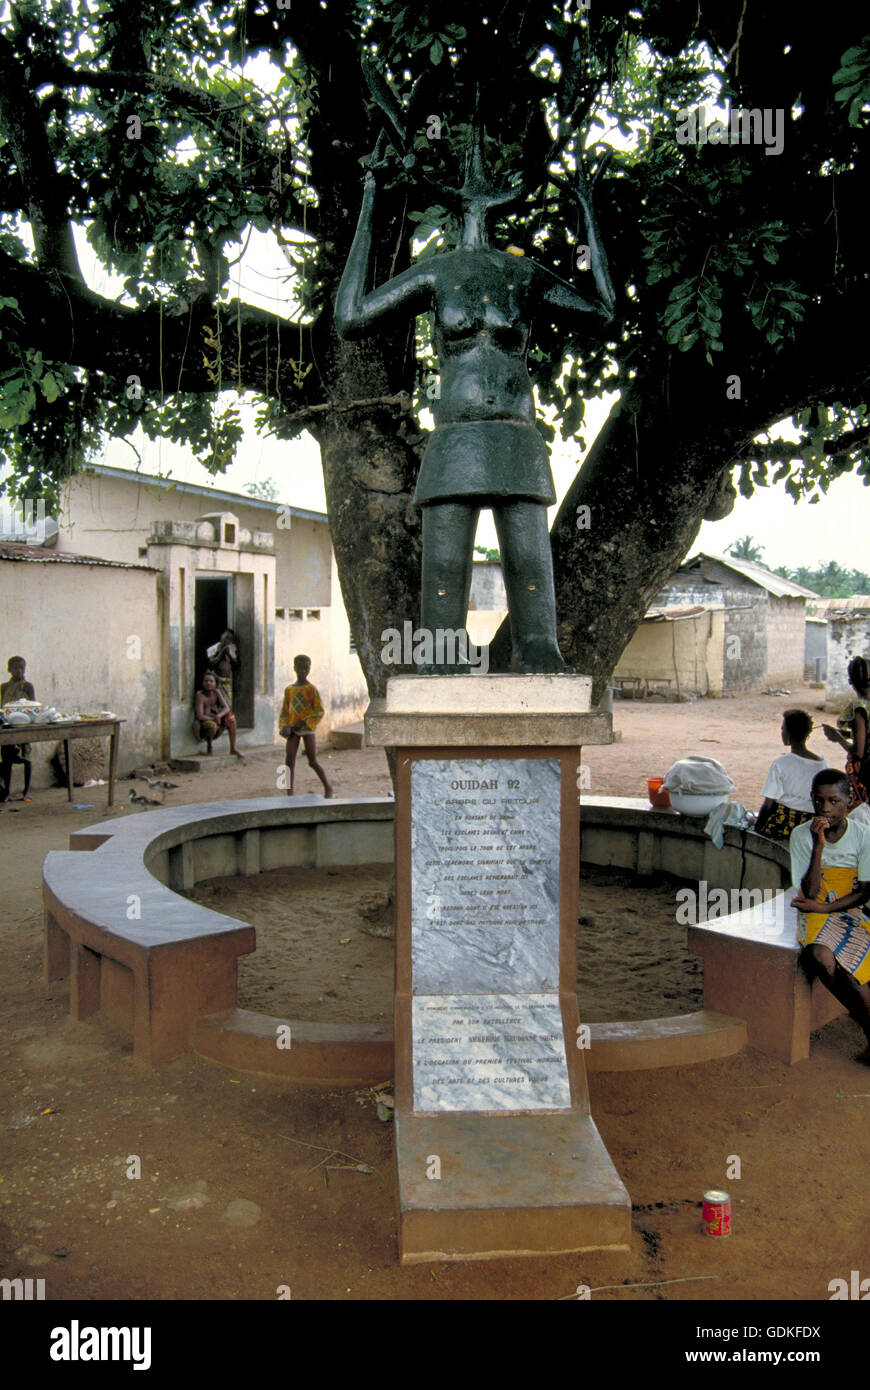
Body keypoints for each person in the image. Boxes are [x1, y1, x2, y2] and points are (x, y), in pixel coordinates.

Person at [335, 121, 615, 673]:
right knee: (442, 585)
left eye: (489, 191)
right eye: (467, 191)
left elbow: (603, 312)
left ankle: (539, 649)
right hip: (456, 436)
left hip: (514, 433)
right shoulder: (438, 274)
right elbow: (350, 316)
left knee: (531, 572)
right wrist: (368, 203)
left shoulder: (522, 274)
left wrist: (588, 214)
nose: (477, 199)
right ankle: (444, 657)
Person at [790, 768, 870, 1055]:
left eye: (834, 801)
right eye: (819, 801)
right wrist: (818, 847)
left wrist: (825, 907)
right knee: (821, 957)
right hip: (814, 911)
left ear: (849, 801)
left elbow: (865, 891)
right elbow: (809, 893)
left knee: (851, 968)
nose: (826, 809)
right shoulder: (802, 836)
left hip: (852, 908)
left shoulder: (863, 835)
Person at [755, 708, 827, 842]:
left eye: (783, 729)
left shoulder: (781, 763)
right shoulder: (821, 763)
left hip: (783, 823)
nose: (781, 732)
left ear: (788, 734)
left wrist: (757, 827)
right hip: (810, 824)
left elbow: (768, 805)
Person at [279, 655, 333, 797]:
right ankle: (289, 793)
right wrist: (284, 726)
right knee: (289, 760)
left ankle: (328, 787)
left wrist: (303, 722)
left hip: (307, 730)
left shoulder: (311, 689)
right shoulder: (289, 690)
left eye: (305, 668)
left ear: (309, 669)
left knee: (312, 761)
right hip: (292, 730)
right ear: (294, 668)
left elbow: (319, 711)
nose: (302, 671)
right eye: (300, 667)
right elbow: (284, 711)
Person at [822, 655, 870, 809]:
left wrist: (838, 738)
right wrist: (848, 735)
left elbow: (858, 752)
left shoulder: (859, 708)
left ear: (850, 681)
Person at [0, 655, 35, 801]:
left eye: (22, 668)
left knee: (26, 759)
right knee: (6, 760)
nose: (19, 671)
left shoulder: (27, 686)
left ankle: (26, 791)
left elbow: (33, 705)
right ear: (9, 670)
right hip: (8, 726)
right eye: (16, 668)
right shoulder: (4, 687)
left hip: (24, 726)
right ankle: (6, 791)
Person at [193, 671, 243, 757]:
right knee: (211, 726)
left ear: (215, 683)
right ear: (202, 683)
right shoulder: (200, 695)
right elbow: (200, 716)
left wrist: (218, 716)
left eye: (211, 681)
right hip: (204, 724)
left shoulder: (216, 692)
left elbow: (226, 708)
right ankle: (209, 748)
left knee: (231, 718)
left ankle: (233, 748)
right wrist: (214, 719)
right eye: (206, 681)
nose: (209, 683)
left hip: (216, 719)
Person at [207, 629, 240, 719]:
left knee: (227, 703)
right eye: (226, 637)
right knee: (216, 703)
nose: (227, 640)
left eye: (230, 639)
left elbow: (236, 665)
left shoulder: (232, 649)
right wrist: (222, 652)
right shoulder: (215, 648)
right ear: (221, 636)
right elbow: (212, 663)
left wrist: (228, 654)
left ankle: (225, 722)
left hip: (227, 681)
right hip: (216, 681)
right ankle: (216, 720)